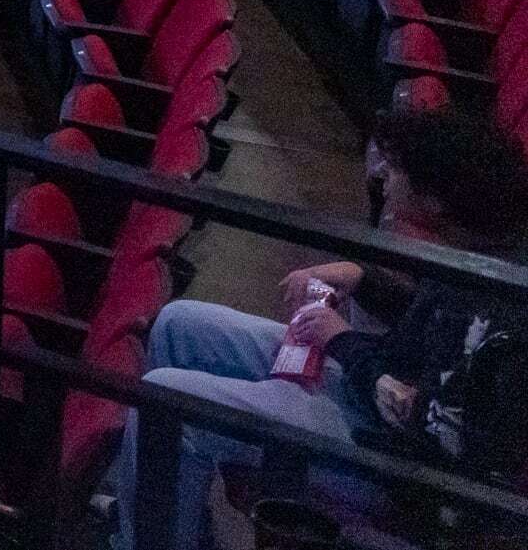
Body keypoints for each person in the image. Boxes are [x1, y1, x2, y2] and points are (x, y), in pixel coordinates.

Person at [109, 103, 528, 550]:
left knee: (169, 399)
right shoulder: (471, 254)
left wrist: (341, 340)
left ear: (436, 199)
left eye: (398, 171)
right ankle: (170, 526)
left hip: (399, 473)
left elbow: (432, 429)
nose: (383, 178)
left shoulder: (494, 301)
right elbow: (433, 326)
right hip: (377, 404)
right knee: (181, 323)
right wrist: (362, 280)